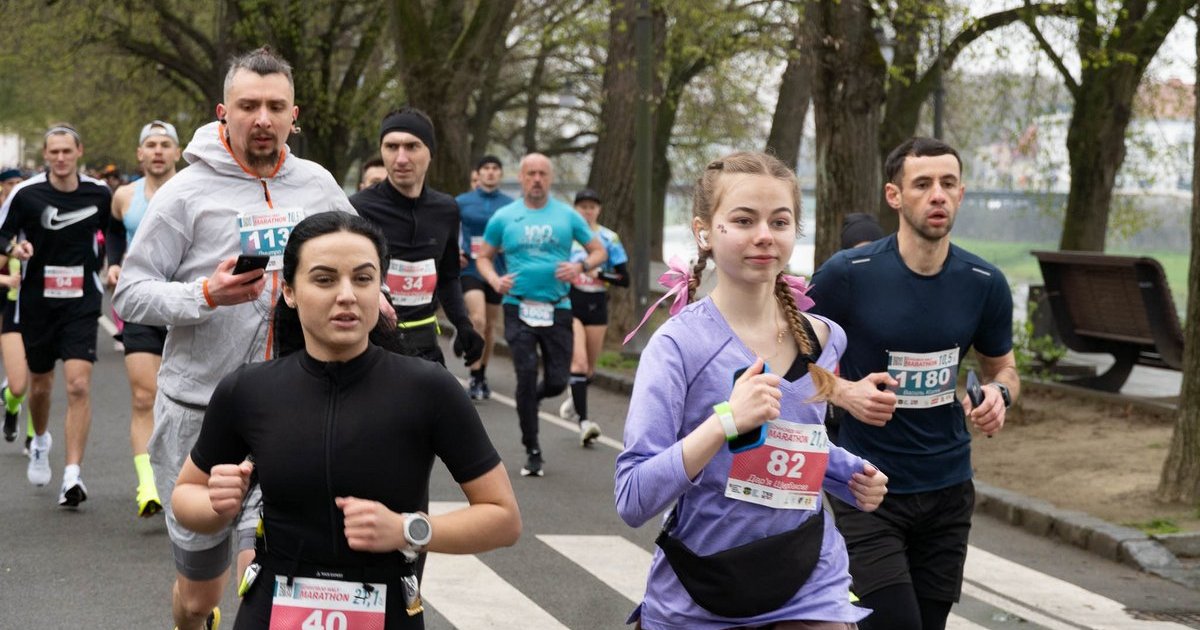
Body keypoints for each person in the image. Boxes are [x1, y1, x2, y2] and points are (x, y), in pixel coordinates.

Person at [172, 212, 521, 629]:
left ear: (380, 289)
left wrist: (408, 529)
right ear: (289, 291)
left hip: (388, 607)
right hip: (273, 608)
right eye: (323, 279)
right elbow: (186, 497)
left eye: (362, 279)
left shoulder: (428, 388)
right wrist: (215, 504)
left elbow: (502, 517)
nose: (346, 295)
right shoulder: (249, 390)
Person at [113, 47, 357, 630]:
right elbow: (130, 294)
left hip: (294, 408)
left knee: (262, 577)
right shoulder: (185, 193)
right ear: (225, 112)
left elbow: (358, 260)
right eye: (249, 105)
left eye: (276, 106)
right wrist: (204, 295)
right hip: (203, 414)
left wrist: (381, 306)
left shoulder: (318, 185)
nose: (263, 118)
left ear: (294, 115)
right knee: (199, 599)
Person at [615, 151, 888, 629]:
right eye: (744, 220)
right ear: (704, 231)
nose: (764, 235)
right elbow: (633, 498)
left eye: (779, 221)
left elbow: (796, 439)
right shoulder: (677, 345)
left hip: (808, 576)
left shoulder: (823, 337)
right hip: (704, 585)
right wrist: (726, 421)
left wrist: (849, 472)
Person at [808, 137, 1019, 630]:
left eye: (948, 184)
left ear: (962, 194)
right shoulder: (847, 275)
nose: (937, 195)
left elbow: (1003, 368)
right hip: (866, 485)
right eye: (922, 184)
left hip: (947, 489)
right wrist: (843, 392)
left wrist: (999, 394)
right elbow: (783, 358)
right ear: (894, 195)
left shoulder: (983, 282)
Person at [0, 123, 111, 508]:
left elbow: (111, 234)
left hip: (81, 301)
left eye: (67, 151)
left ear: (79, 151)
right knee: (41, 385)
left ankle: (72, 476)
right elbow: (3, 235)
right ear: (45, 155)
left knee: (79, 385)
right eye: (54, 152)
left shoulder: (98, 193)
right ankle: (41, 440)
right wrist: (16, 249)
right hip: (37, 302)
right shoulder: (25, 194)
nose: (61, 158)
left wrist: (113, 263)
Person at [475, 153, 606, 477]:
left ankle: (528, 399)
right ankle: (533, 449)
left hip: (558, 306)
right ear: (520, 178)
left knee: (558, 380)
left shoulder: (567, 215)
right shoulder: (505, 217)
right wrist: (494, 280)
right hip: (518, 306)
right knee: (526, 370)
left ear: (550, 178)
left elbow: (599, 250)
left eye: (542, 174)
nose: (536, 179)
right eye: (530, 173)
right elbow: (483, 258)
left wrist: (580, 266)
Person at [350, 107, 483, 366]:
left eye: (412, 146)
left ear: (430, 152)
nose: (401, 158)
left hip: (425, 345)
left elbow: (447, 276)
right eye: (391, 147)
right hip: (374, 347)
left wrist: (463, 324)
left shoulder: (446, 209)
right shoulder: (357, 208)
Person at [104, 119, 182, 518]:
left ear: (177, 152)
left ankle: (183, 476)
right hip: (141, 306)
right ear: (140, 153)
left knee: (182, 400)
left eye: (164, 144)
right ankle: (149, 485)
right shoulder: (124, 196)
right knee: (143, 396)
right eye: (150, 144)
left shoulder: (192, 191)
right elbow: (115, 233)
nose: (157, 151)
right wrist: (114, 265)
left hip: (185, 304)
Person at [557, 188, 628, 446]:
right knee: (578, 363)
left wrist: (601, 276)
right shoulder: (566, 236)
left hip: (597, 305)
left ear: (599, 209)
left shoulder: (610, 238)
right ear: (575, 209)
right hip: (571, 303)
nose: (587, 211)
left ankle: (575, 397)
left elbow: (624, 278)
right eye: (582, 206)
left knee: (588, 369)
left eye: (592, 206)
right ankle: (585, 422)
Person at [456, 154, 513, 399]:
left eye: (495, 168)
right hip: (470, 268)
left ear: (500, 174)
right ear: (477, 175)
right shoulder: (461, 202)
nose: (490, 172)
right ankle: (474, 374)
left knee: (489, 327)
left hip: (496, 272)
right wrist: (454, 250)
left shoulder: (510, 205)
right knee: (477, 319)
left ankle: (481, 374)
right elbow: (449, 230)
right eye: (485, 168)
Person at [0, 168, 28, 446]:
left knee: (40, 379)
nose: (17, 188)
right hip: (7, 300)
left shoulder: (31, 213)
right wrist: (7, 277)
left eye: (21, 183)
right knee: (19, 381)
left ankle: (36, 439)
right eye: (11, 184)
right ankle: (11, 401)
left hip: (32, 303)